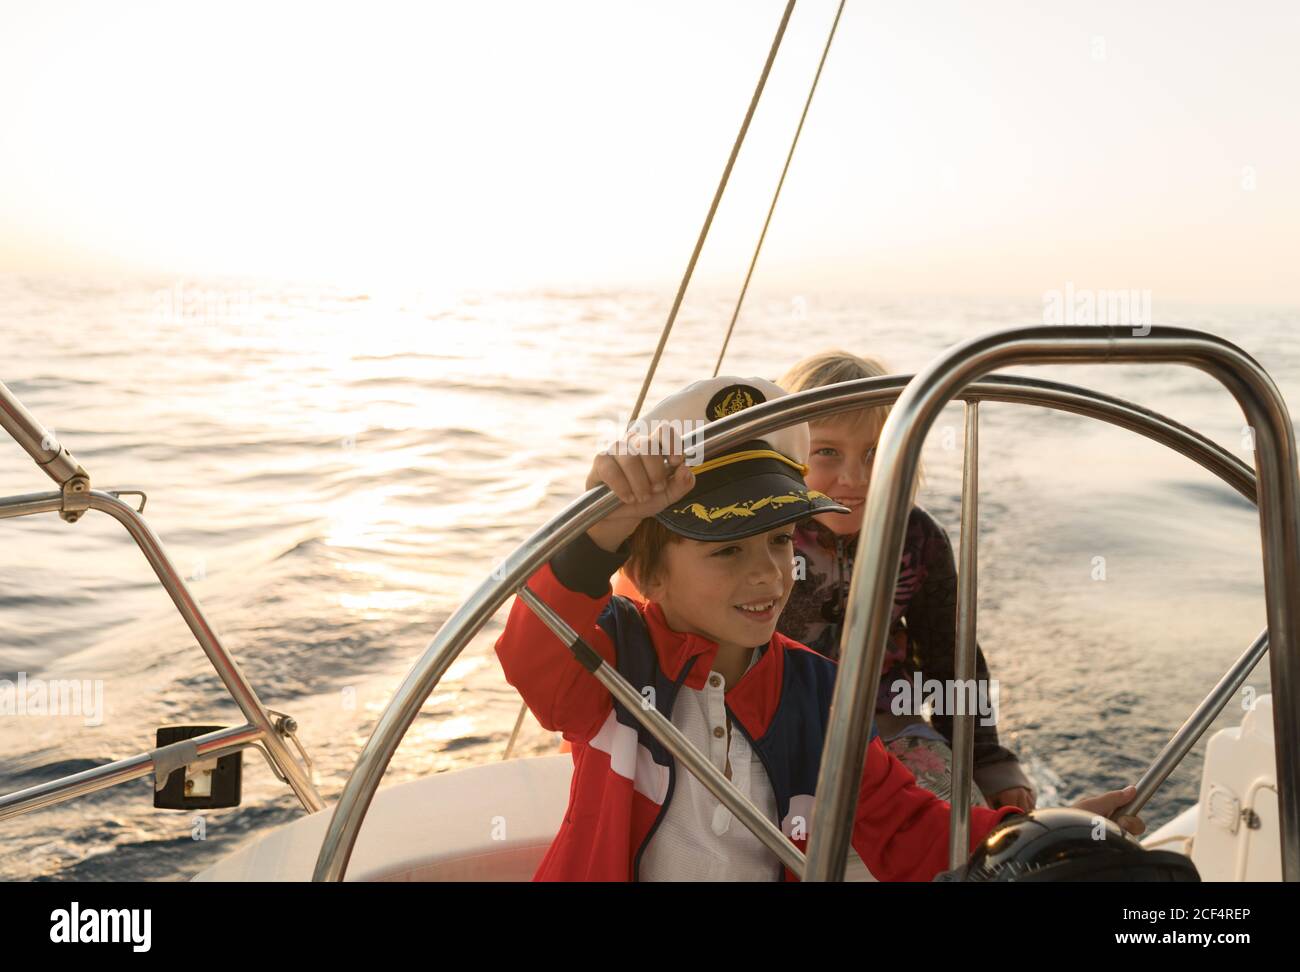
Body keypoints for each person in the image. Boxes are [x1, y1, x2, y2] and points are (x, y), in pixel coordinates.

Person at [493, 375, 1142, 881]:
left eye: (778, 541)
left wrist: (1038, 839)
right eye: (728, 549)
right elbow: (533, 657)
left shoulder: (823, 693)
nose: (769, 574)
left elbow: (908, 832)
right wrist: (601, 529)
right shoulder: (615, 657)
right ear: (649, 573)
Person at [775, 350, 1036, 811]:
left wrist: (985, 758)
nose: (854, 477)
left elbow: (952, 658)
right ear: (788, 451)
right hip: (769, 724)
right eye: (827, 452)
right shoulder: (759, 533)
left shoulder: (918, 538)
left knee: (965, 826)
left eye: (876, 452)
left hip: (888, 726)